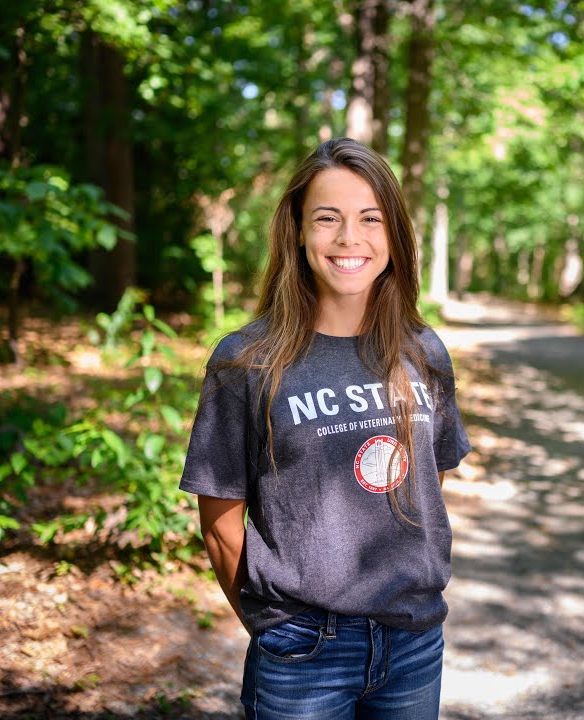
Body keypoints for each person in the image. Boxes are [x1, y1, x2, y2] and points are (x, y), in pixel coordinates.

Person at [178, 137, 472, 719]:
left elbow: (429, 483)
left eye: (371, 219)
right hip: (302, 652)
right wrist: (276, 630)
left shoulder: (424, 351)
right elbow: (219, 524)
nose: (349, 239)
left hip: (414, 641)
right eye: (327, 219)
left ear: (395, 235)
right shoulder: (248, 359)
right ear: (297, 231)